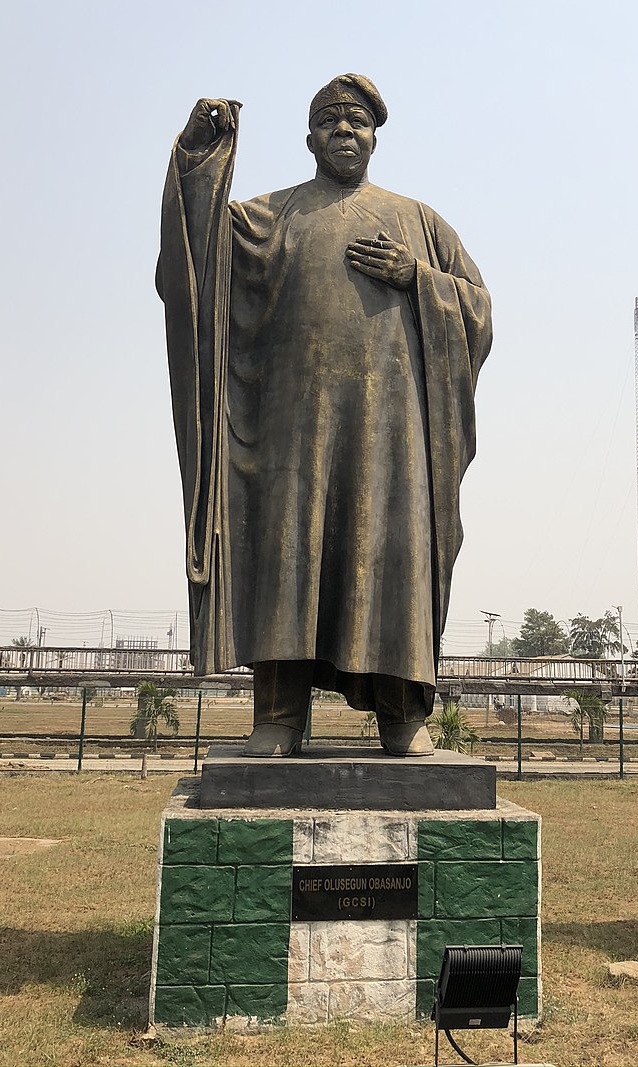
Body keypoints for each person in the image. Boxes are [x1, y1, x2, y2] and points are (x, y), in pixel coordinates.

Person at [157, 74, 492, 757]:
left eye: (358, 122)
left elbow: (479, 310)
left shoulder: (418, 222)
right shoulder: (271, 215)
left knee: (393, 555)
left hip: (391, 438)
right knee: (289, 557)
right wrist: (198, 156)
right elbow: (193, 255)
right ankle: (278, 717)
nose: (345, 131)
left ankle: (403, 716)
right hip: (294, 433)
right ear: (310, 138)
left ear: (375, 137)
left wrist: (418, 279)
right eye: (331, 122)